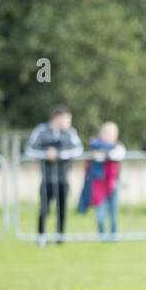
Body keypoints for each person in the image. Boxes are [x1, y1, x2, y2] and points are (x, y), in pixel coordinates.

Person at [24, 105, 83, 244]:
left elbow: (79, 150)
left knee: (62, 208)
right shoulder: (41, 131)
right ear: (57, 118)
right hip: (47, 178)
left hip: (63, 178)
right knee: (44, 208)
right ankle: (41, 237)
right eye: (67, 119)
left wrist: (59, 154)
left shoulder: (70, 133)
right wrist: (46, 154)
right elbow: (29, 150)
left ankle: (60, 237)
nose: (69, 122)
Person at [79, 121, 126, 239]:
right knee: (100, 214)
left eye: (111, 133)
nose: (108, 135)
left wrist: (105, 154)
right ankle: (102, 235)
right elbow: (97, 157)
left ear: (116, 135)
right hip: (98, 184)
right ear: (100, 133)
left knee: (113, 213)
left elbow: (116, 155)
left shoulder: (118, 147)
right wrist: (105, 154)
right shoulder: (94, 146)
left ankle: (114, 235)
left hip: (113, 184)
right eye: (106, 132)